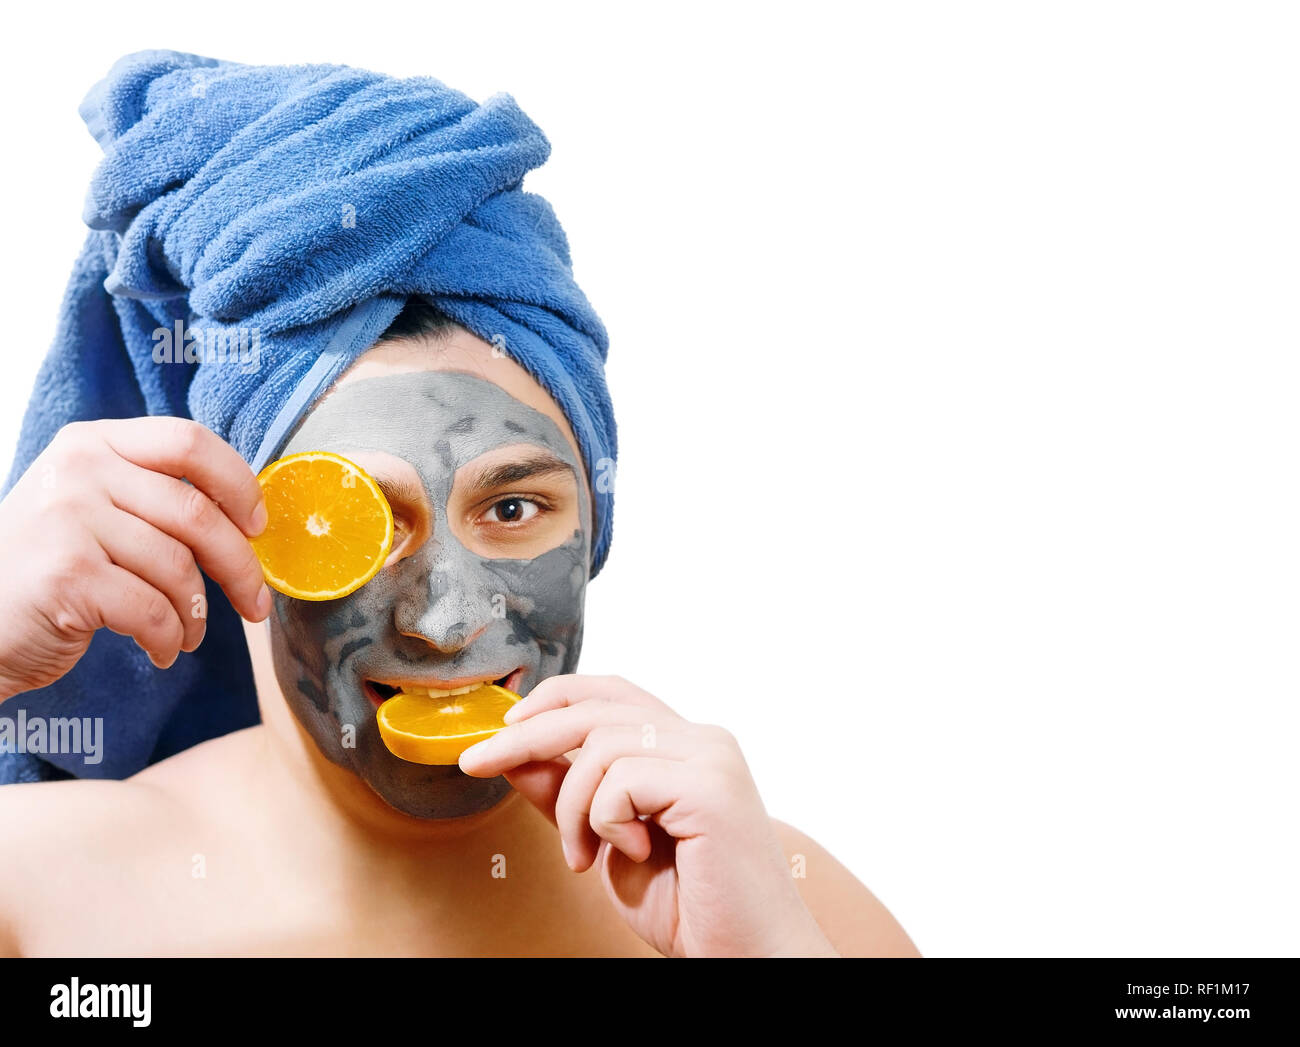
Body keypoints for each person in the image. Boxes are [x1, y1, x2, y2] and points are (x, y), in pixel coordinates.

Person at [0, 51, 919, 957]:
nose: (445, 620)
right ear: (212, 532)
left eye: (513, 508)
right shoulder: (37, 892)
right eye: (360, 520)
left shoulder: (773, 899)